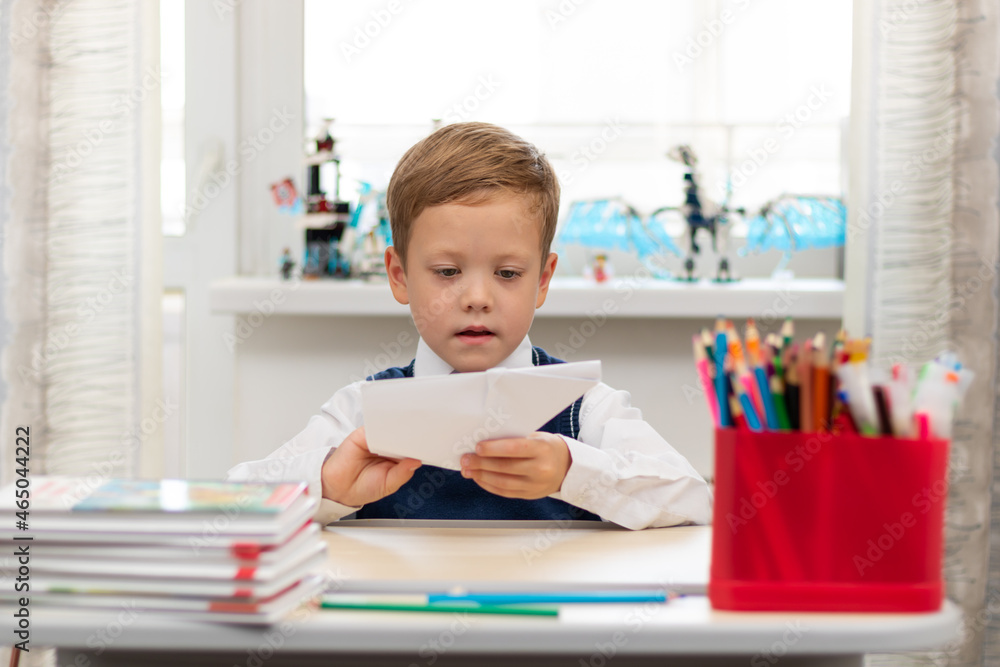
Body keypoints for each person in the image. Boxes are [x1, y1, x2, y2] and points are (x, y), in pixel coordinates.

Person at [228, 122, 711, 530]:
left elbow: (693, 501)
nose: (478, 299)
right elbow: (233, 503)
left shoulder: (584, 408)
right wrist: (328, 484)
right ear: (399, 276)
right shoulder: (362, 410)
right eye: (447, 272)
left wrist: (573, 471)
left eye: (507, 274)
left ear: (542, 281)